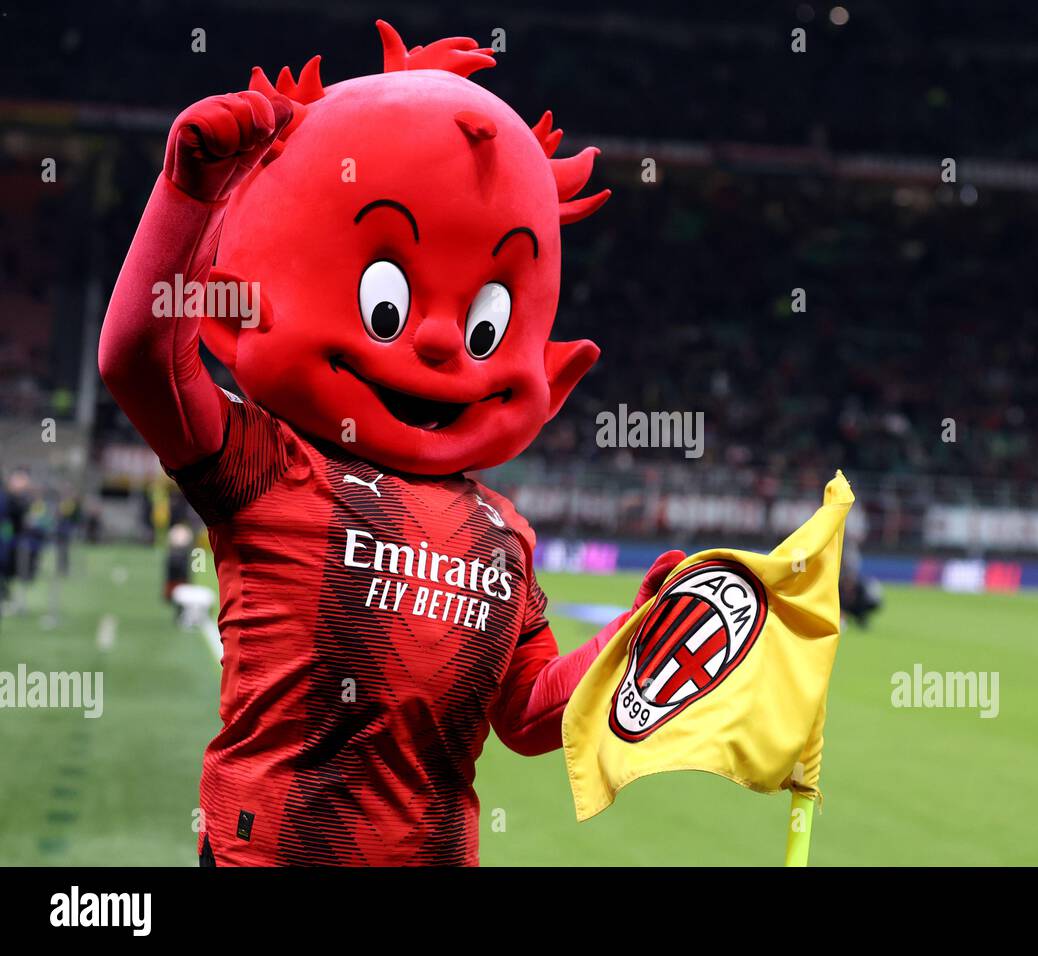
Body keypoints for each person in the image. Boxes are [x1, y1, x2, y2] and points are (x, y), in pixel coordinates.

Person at [100, 19, 682, 866]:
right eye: (392, 303)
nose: (445, 344)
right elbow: (139, 359)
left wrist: (642, 629)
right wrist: (187, 196)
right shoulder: (269, 466)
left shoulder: (502, 534)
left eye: (484, 325)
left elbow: (530, 716)